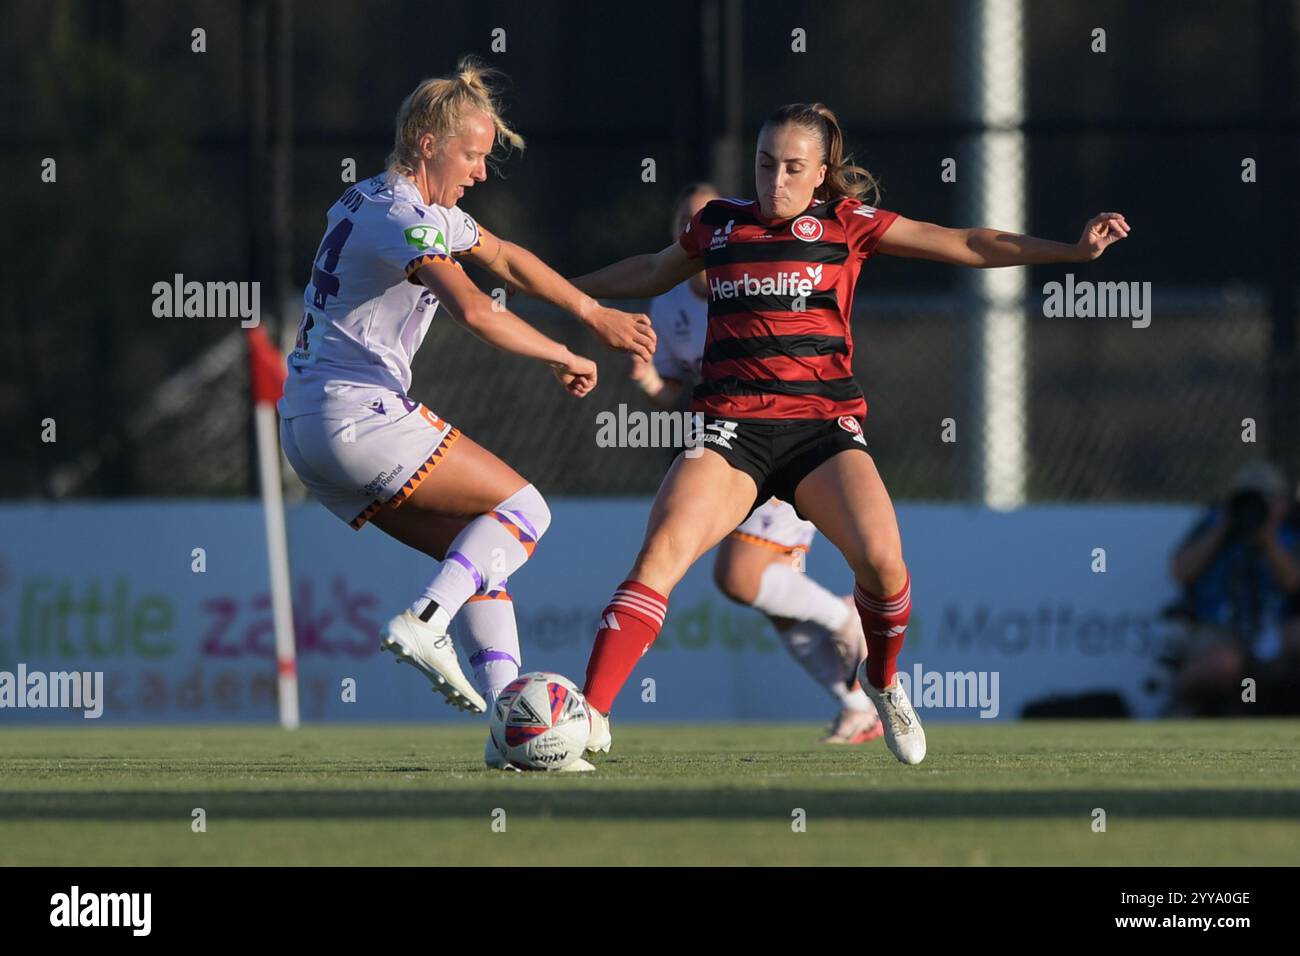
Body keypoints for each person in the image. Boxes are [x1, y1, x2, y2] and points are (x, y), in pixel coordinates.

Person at [575, 101, 1129, 765]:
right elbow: (646, 271)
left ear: (821, 174)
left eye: (792, 168)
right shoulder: (718, 225)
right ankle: (590, 716)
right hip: (730, 428)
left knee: (884, 562)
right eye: (764, 164)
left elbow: (966, 243)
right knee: (660, 556)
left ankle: (882, 682)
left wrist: (1071, 250)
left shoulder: (847, 223)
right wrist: (555, 291)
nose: (774, 180)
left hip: (820, 433)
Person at [277, 57, 654, 770]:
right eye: (473, 154)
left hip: (308, 430)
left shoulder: (374, 202)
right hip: (356, 415)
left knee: (484, 558)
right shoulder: (403, 218)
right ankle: (426, 620)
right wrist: (560, 354)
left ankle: (510, 727)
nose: (480, 172)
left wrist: (591, 311)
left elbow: (506, 258)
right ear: (427, 143)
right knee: (526, 510)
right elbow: (477, 308)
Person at [631, 181, 879, 744]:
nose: (697, 230)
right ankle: (854, 703)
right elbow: (677, 387)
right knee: (772, 598)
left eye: (707, 218)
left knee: (740, 576)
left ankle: (846, 617)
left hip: (786, 438)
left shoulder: (756, 274)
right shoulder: (667, 301)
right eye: (686, 221)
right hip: (722, 446)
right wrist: (647, 378)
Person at [1168, 459, 1300, 714]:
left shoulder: (1290, 533)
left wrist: (1268, 539)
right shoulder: (1213, 525)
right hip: (1220, 629)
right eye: (1246, 498)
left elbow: (1293, 583)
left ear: (1281, 503)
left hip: (1273, 629)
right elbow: (1180, 573)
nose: (1253, 507)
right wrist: (1222, 529)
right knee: (1224, 663)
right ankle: (1176, 703)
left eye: (1263, 499)